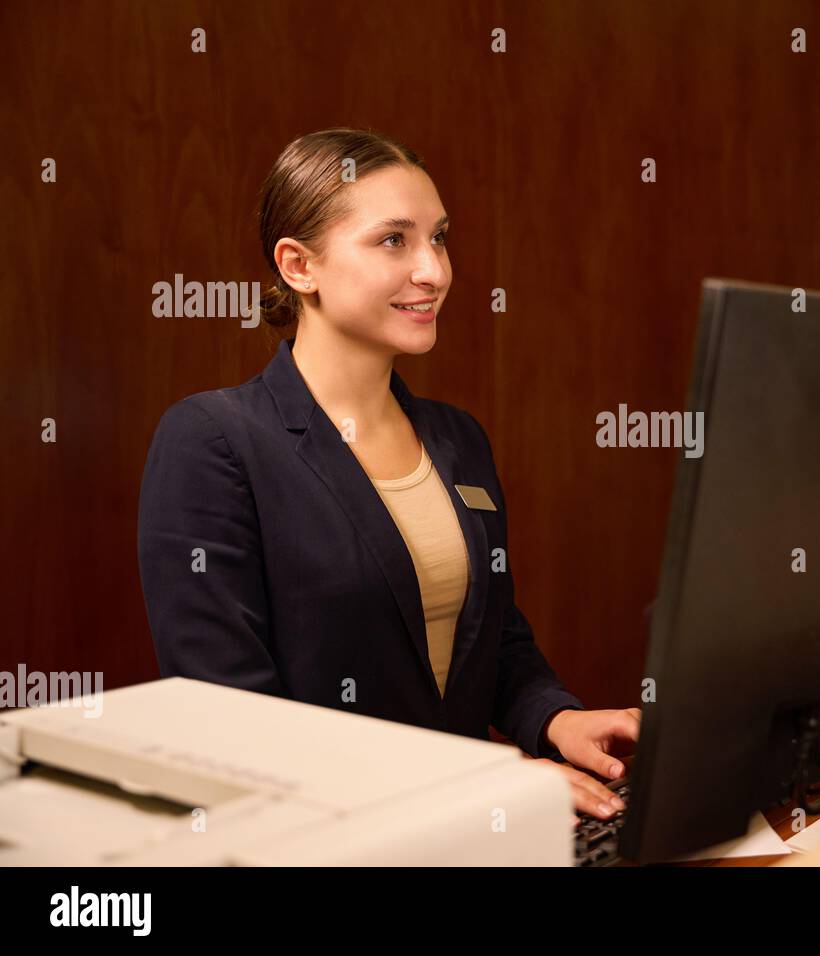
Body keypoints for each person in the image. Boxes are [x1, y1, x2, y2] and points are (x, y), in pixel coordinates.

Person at [137, 128, 636, 824]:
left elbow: (489, 636)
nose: (433, 270)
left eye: (439, 237)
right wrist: (489, 781)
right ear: (298, 265)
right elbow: (231, 721)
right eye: (394, 241)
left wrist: (553, 720)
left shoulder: (457, 438)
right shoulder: (214, 441)